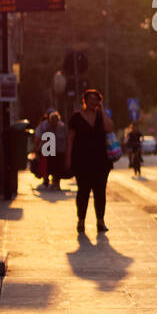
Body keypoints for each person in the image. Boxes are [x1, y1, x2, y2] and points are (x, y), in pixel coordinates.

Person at [65, 88, 114, 235]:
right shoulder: (76, 117)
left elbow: (109, 128)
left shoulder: (101, 116)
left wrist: (103, 109)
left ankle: (100, 221)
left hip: (101, 161)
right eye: (91, 99)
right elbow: (70, 139)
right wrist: (68, 159)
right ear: (84, 101)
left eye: (96, 99)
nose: (94, 102)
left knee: (100, 192)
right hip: (81, 161)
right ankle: (81, 221)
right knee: (83, 192)